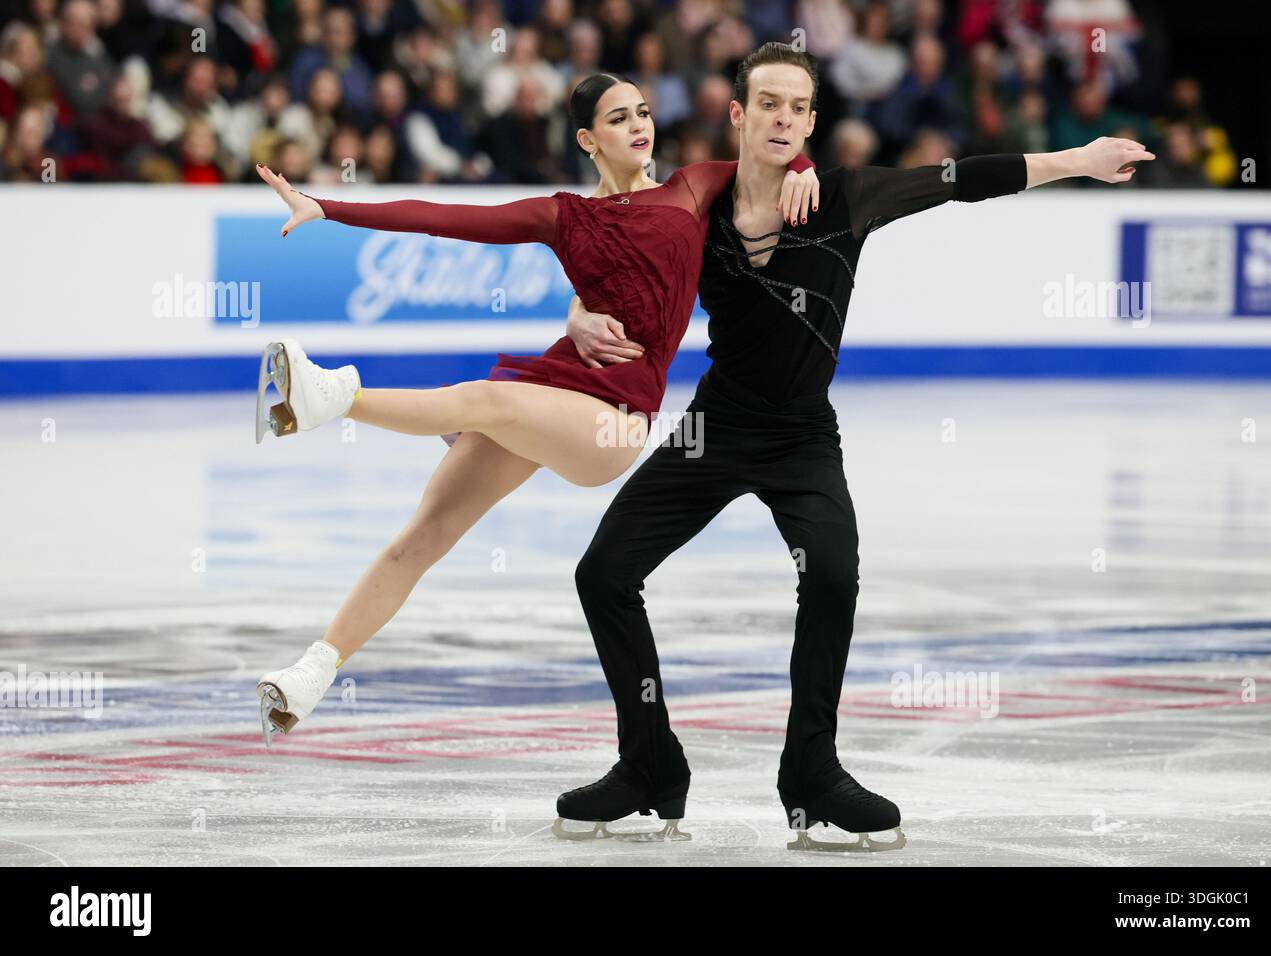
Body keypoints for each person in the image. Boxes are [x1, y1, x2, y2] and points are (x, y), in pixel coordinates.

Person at [561, 42, 1154, 849]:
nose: (782, 118)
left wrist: (1076, 159)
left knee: (832, 575)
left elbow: (960, 180)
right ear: (738, 114)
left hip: (804, 434)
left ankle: (810, 773)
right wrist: (578, 315)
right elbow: (614, 244)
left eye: (798, 108)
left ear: (811, 120)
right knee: (603, 573)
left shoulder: (845, 196)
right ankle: (651, 764)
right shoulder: (694, 203)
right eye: (767, 103)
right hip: (718, 424)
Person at [251, 72, 820, 748]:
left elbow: (773, 150)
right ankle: (312, 673)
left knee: (486, 401)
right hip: (557, 383)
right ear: (586, 139)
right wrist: (328, 208)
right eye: (618, 118)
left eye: (643, 112)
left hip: (615, 417)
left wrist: (807, 165)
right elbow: (446, 220)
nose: (640, 126)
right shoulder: (563, 217)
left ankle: (334, 399)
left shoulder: (690, 189)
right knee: (423, 534)